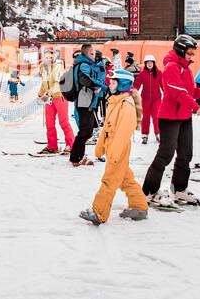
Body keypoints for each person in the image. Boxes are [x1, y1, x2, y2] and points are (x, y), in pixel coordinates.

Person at [141, 34, 200, 206]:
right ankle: (148, 191)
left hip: (184, 116)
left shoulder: (186, 68)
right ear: (180, 49)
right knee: (166, 154)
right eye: (190, 51)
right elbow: (178, 93)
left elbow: (190, 91)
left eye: (193, 52)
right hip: (169, 116)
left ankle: (178, 189)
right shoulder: (172, 67)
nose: (192, 55)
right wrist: (197, 108)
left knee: (186, 154)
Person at [80, 69, 151, 225]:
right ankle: (139, 207)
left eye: (113, 82)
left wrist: (115, 151)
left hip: (119, 149)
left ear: (123, 84)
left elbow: (123, 133)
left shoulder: (126, 105)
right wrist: (100, 147)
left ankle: (99, 212)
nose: (110, 85)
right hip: (113, 148)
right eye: (110, 82)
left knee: (109, 181)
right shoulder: (115, 101)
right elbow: (106, 128)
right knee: (126, 179)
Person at [69, 43, 105, 165]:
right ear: (89, 53)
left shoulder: (87, 64)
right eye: (93, 53)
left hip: (88, 101)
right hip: (84, 102)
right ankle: (75, 158)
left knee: (87, 131)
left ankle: (78, 156)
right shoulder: (84, 65)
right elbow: (83, 78)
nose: (95, 55)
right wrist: (97, 86)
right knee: (85, 131)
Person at [37, 49, 74, 154]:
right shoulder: (44, 68)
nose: (49, 59)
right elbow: (45, 83)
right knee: (49, 123)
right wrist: (40, 93)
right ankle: (52, 146)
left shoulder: (58, 66)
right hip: (50, 99)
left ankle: (71, 146)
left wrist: (47, 94)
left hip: (60, 96)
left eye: (51, 57)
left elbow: (58, 84)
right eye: (47, 57)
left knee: (63, 122)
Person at [137, 54, 162, 145]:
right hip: (145, 98)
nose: (150, 64)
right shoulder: (142, 73)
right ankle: (145, 135)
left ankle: (158, 133)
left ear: (154, 63)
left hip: (156, 98)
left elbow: (163, 84)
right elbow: (137, 84)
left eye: (151, 62)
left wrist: (167, 94)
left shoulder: (159, 73)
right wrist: (133, 91)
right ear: (145, 64)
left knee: (156, 116)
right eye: (148, 63)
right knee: (146, 117)